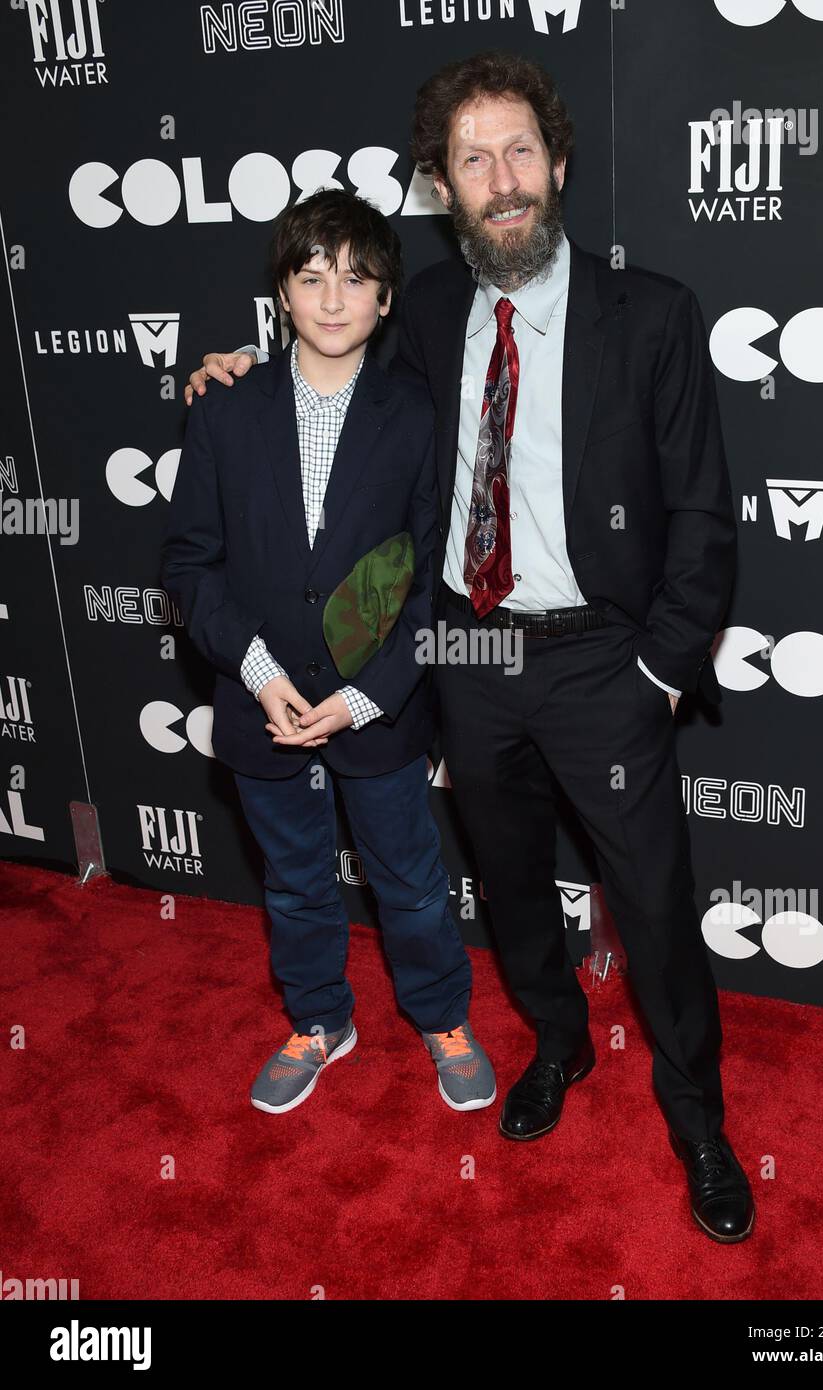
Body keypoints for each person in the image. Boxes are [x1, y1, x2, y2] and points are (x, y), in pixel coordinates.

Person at [184, 51, 754, 1243]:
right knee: (506, 884)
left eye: (517, 153)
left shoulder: (649, 314)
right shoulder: (429, 310)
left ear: (557, 163)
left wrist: (659, 669)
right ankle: (556, 1045)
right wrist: (229, 373)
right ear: (440, 186)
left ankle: (698, 1118)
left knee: (650, 902)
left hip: (606, 658)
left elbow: (704, 512)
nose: (499, 180)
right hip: (468, 652)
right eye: (470, 159)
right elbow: (324, 374)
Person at [162, 188, 495, 1118]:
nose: (334, 299)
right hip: (257, 703)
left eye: (356, 279)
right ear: (281, 292)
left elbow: (435, 582)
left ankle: (440, 1018)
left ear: (386, 297)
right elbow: (190, 563)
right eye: (311, 278)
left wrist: (368, 696)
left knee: (412, 886)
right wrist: (259, 674)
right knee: (296, 883)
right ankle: (318, 1020)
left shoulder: (419, 416)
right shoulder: (225, 409)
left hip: (377, 710)